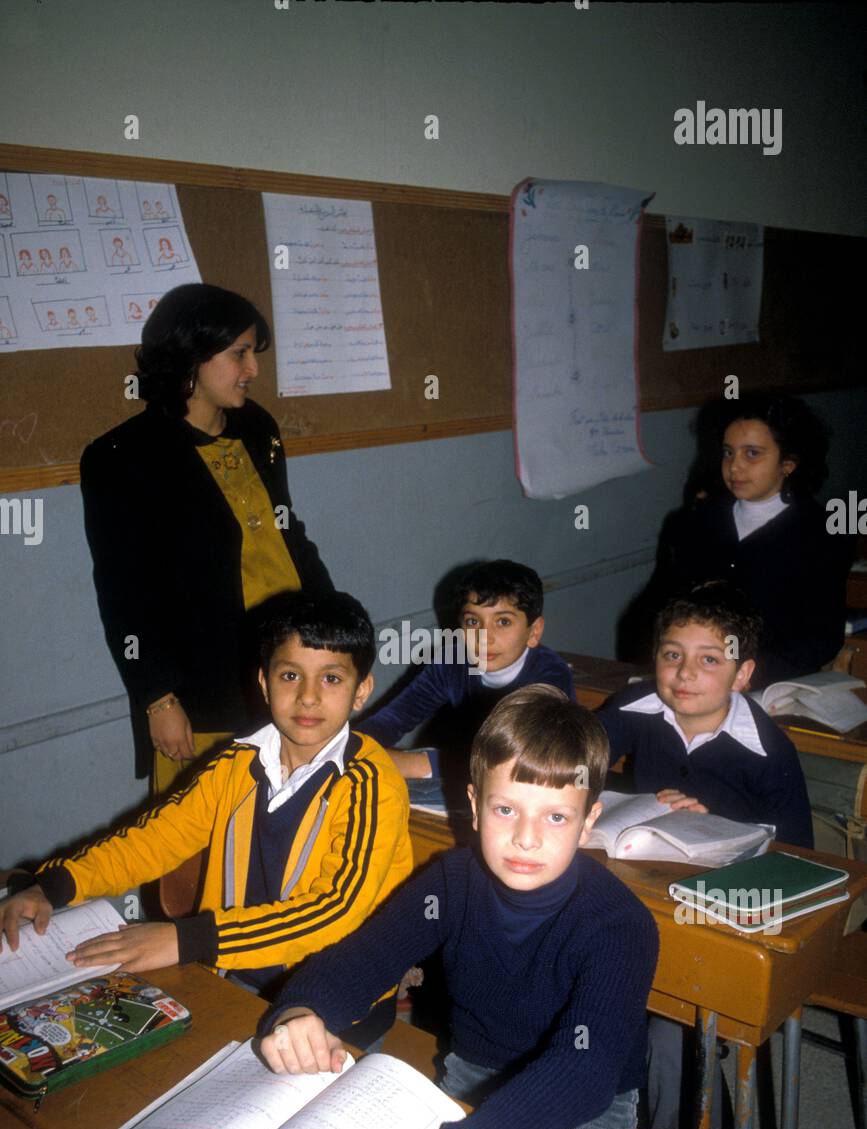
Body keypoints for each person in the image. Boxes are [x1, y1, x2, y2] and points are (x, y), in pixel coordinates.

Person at [259, 685, 658, 1129]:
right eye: (506, 810)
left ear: (588, 821)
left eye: (555, 816)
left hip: (589, 1109)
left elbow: (585, 1067)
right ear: (473, 805)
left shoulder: (620, 924)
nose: (527, 838)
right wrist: (305, 1008)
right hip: (472, 1072)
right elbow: (366, 957)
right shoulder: (451, 881)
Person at [0, 594, 413, 1041]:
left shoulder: (371, 785)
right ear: (264, 681)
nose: (308, 696)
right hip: (238, 980)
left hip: (336, 1007)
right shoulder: (236, 764)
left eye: (331, 678)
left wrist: (188, 940)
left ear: (362, 691)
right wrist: (54, 886)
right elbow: (156, 839)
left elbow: (334, 912)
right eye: (290, 675)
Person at [79, 282, 333, 791]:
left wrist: (334, 630)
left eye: (253, 353)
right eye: (239, 353)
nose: (253, 370)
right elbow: (123, 592)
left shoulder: (258, 428)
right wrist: (158, 698)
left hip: (290, 663)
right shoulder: (123, 457)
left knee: (291, 822)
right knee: (206, 838)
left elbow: (287, 530)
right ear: (191, 357)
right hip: (203, 685)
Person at [636, 394, 854, 687]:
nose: (735, 466)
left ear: (788, 463)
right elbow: (658, 608)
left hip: (770, 683)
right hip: (688, 676)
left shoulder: (820, 533)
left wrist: (747, 676)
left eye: (752, 454)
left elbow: (820, 636)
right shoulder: (693, 523)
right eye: (728, 452)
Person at [598, 583, 813, 849]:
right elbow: (578, 764)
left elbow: (797, 851)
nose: (685, 672)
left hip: (728, 879)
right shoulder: (632, 707)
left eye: (709, 660)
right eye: (673, 655)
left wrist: (708, 828)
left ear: (741, 675)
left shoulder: (770, 752)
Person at [358, 560, 575, 788]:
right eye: (473, 621)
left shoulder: (550, 676)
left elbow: (520, 759)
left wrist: (420, 764)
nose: (484, 637)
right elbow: (393, 719)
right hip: (466, 776)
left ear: (534, 631)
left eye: (503, 622)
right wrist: (351, 745)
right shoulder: (451, 663)